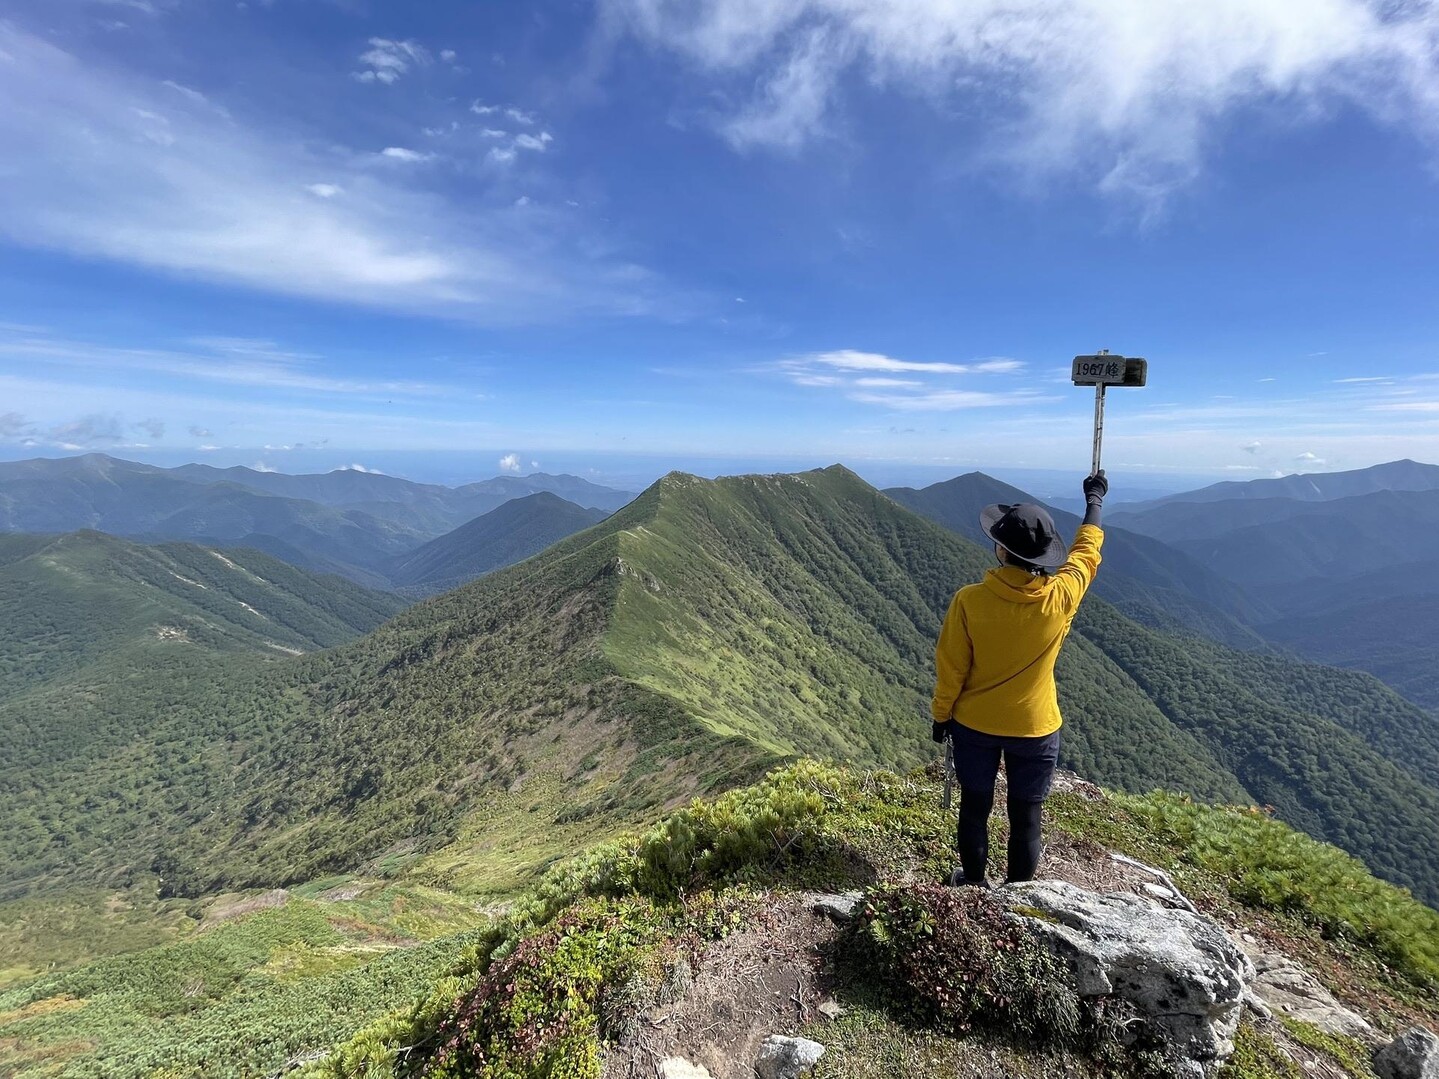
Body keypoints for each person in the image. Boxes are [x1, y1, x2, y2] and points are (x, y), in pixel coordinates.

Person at [930, 471, 1108, 887]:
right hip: (1036, 726)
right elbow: (1087, 553)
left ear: (1001, 550)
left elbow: (951, 667)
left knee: (975, 807)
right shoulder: (1061, 597)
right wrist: (1094, 500)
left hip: (975, 725)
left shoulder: (970, 601)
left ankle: (973, 883)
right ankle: (1019, 895)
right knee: (1027, 815)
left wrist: (942, 716)